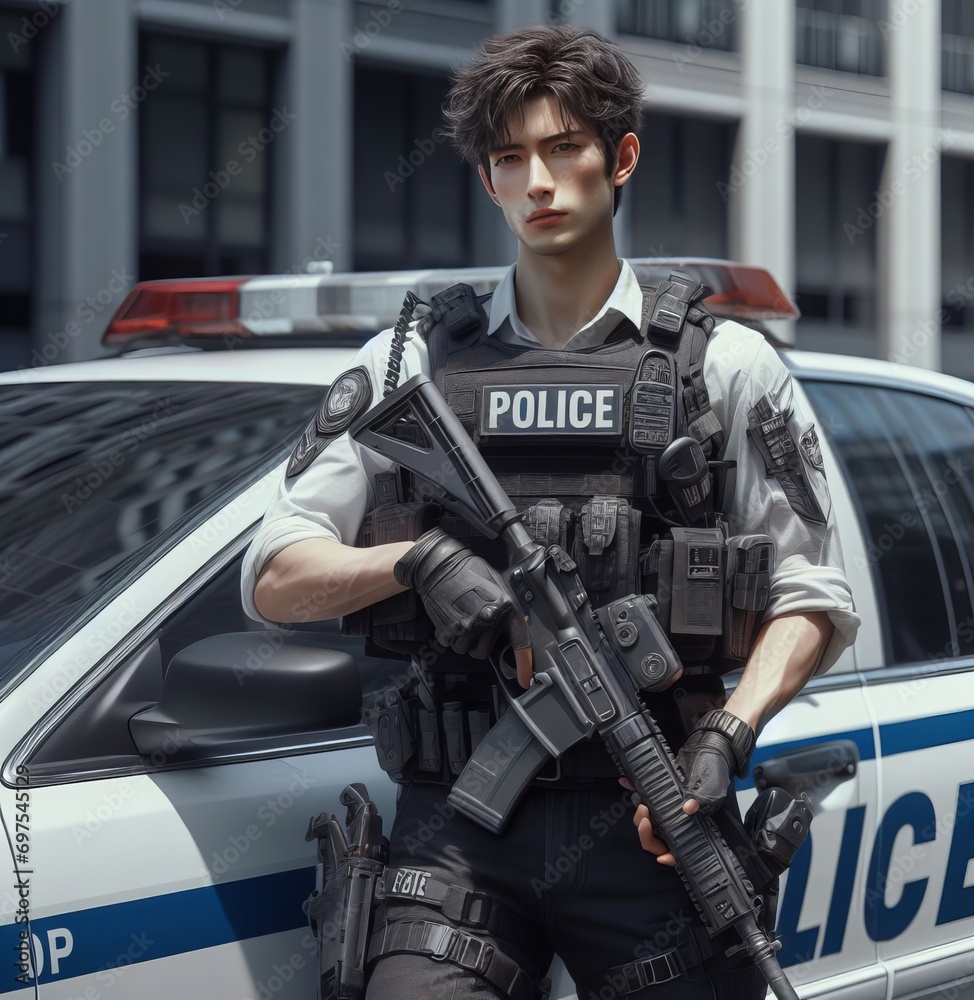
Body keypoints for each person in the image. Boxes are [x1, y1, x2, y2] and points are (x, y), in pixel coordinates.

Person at [241, 24, 860, 1000]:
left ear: (619, 158)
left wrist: (727, 737)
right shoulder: (409, 366)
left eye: (564, 149)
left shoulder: (725, 367)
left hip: (650, 813)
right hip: (455, 826)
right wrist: (414, 565)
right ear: (486, 180)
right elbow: (274, 578)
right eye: (509, 158)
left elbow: (815, 595)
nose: (539, 182)